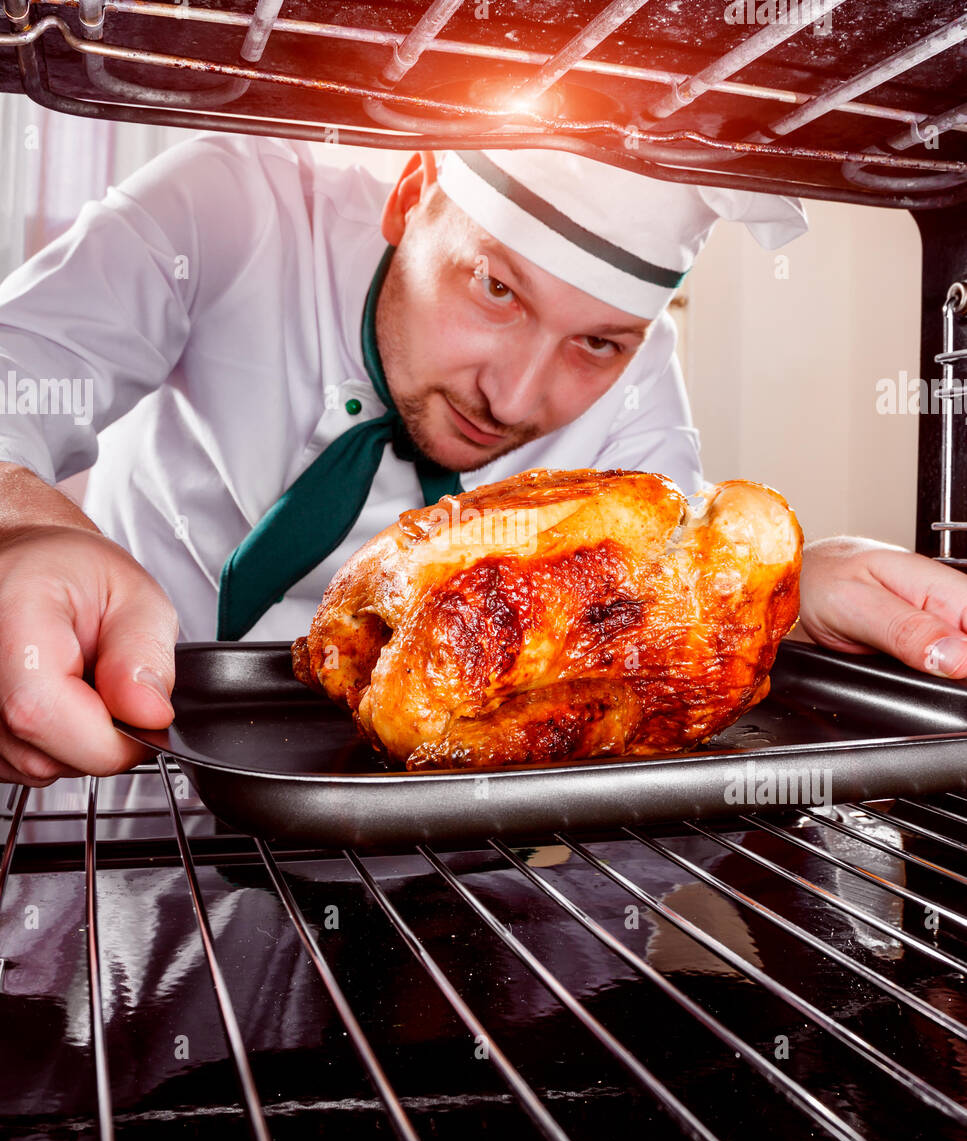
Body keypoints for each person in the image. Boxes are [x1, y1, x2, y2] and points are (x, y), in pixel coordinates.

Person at [0, 135, 964, 789]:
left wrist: (790, 585)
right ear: (413, 198)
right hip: (122, 761)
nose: (512, 395)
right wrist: (22, 526)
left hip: (455, 841)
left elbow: (664, 586)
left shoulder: (638, 374)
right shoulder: (233, 205)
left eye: (596, 343)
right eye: (496, 287)